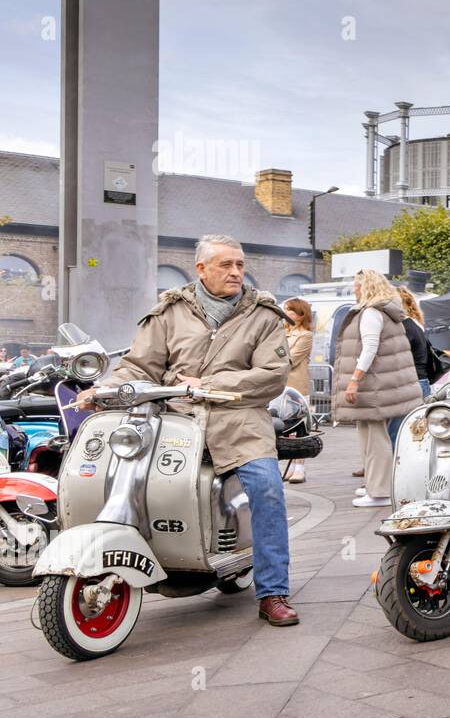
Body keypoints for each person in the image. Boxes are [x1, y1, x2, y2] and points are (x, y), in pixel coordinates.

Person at [75, 234, 299, 626]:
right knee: (123, 475)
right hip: (175, 420)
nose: (235, 272)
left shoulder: (263, 315)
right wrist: (105, 388)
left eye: (240, 265)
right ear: (201, 269)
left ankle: (273, 591)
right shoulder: (170, 311)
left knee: (267, 489)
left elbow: (272, 376)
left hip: (240, 421)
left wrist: (211, 386)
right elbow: (139, 365)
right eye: (225, 265)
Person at [333, 270, 423, 508]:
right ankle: (377, 487)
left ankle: (380, 491)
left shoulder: (371, 313)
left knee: (374, 441)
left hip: (372, 389)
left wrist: (354, 380)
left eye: (356, 284)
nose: (354, 289)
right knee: (377, 439)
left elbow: (369, 348)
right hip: (382, 388)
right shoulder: (389, 313)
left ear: (366, 286)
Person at [387, 286, 433, 448]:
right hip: (421, 383)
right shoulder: (416, 324)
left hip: (411, 384)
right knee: (413, 433)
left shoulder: (405, 327)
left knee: (395, 433)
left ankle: (391, 469)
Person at [281, 296, 314, 484]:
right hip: (280, 387)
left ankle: (300, 467)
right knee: (285, 429)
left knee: (300, 427)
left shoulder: (305, 336)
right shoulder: (281, 333)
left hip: (297, 387)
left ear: (301, 315)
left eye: (290, 310)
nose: (286, 313)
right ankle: (290, 465)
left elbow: (291, 360)